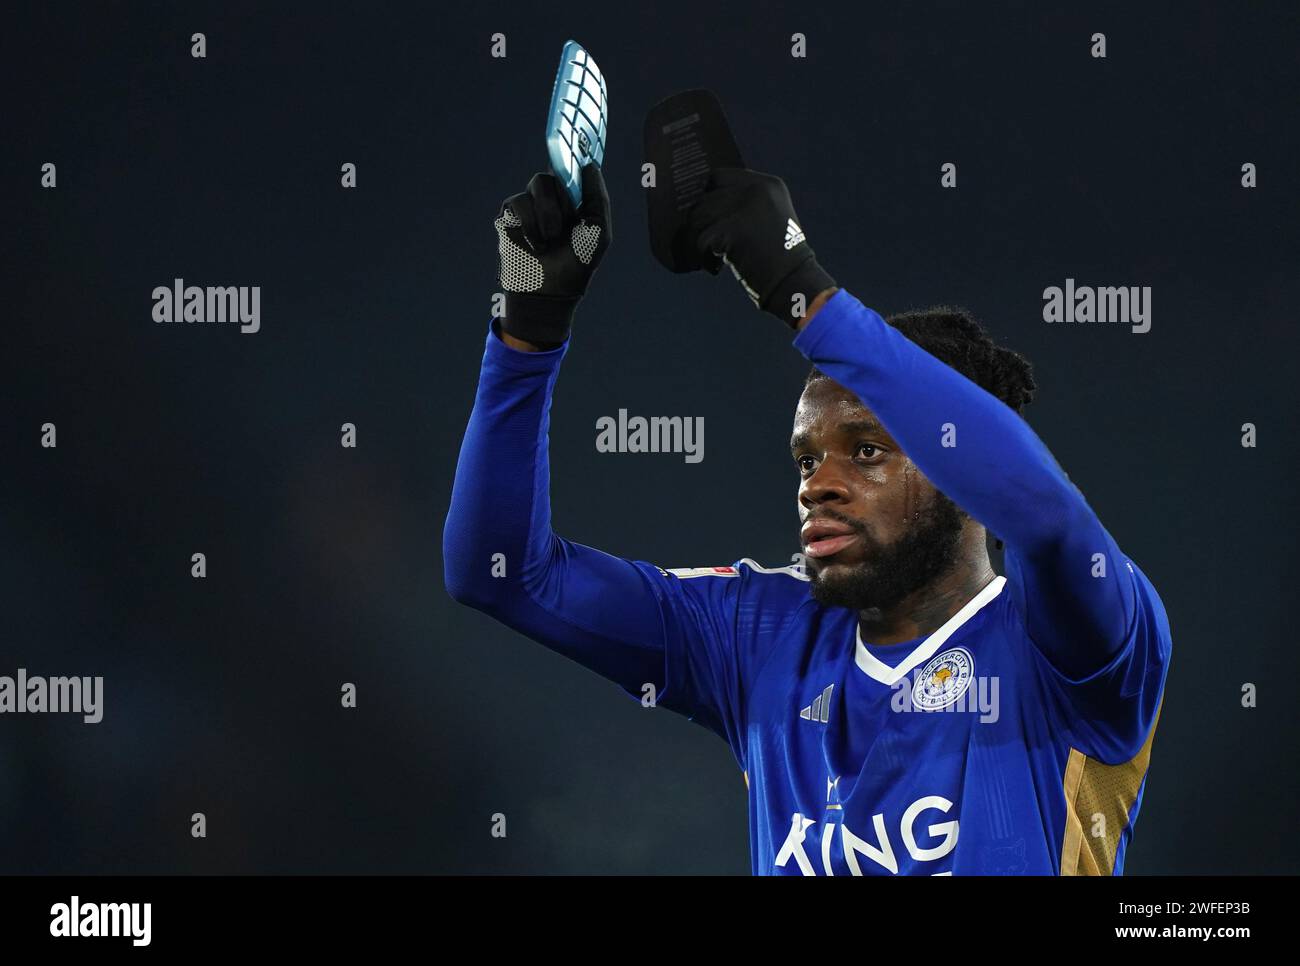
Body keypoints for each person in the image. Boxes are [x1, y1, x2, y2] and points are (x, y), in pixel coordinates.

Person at [443, 162, 1172, 875]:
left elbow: (1048, 517)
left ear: (961, 470)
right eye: (805, 460)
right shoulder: (758, 637)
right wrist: (526, 339)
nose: (819, 484)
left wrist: (806, 296)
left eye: (865, 450)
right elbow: (501, 575)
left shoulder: (1079, 645)